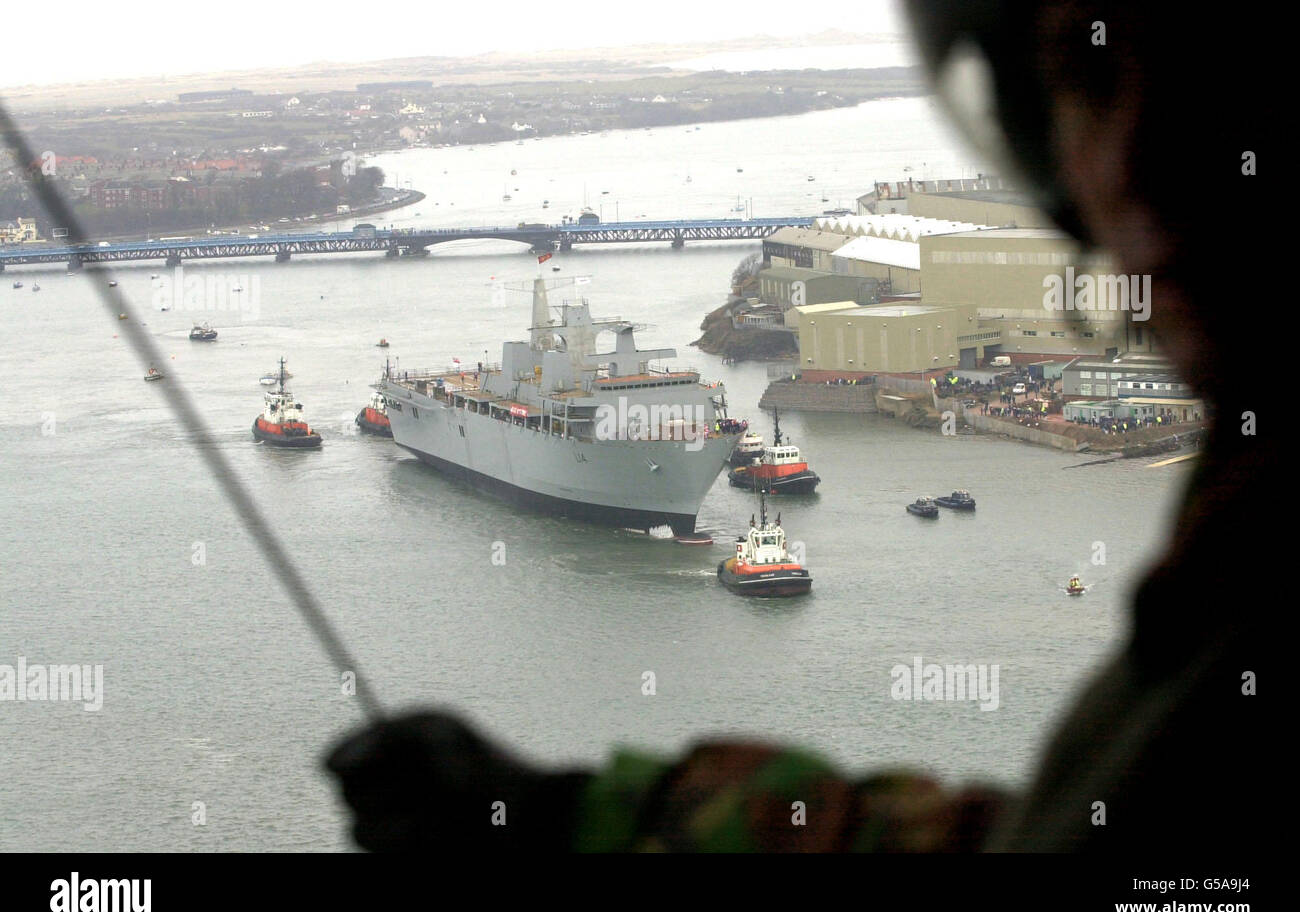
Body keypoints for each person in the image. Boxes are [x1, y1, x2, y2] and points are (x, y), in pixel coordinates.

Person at [324, 1, 1267, 854]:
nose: (1139, 165)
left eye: (1221, 84)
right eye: (1089, 82)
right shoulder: (1232, 538)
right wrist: (585, 819)